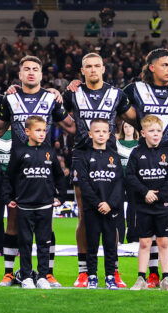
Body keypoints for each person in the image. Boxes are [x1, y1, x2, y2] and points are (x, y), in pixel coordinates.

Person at [6, 114, 63, 288]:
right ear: (27, 131)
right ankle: (26, 276)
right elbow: (9, 177)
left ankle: (43, 276)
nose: (42, 134)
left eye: (44, 130)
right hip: (24, 205)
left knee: (43, 243)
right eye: (38, 130)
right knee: (25, 243)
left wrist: (59, 197)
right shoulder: (19, 152)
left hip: (45, 205)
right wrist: (10, 197)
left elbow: (60, 177)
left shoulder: (50, 152)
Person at [72, 119, 124, 289]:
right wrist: (97, 203)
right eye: (97, 131)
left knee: (110, 245)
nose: (101, 134)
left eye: (104, 131)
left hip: (110, 209)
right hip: (92, 209)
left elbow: (118, 184)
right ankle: (92, 275)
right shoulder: (84, 156)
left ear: (109, 135)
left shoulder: (114, 157)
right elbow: (84, 184)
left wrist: (109, 203)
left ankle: (110, 276)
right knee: (92, 244)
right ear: (90, 134)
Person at [126, 114, 168, 291]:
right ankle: (141, 278)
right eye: (151, 131)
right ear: (143, 133)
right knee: (145, 243)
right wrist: (145, 192)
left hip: (163, 205)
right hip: (143, 204)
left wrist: (159, 194)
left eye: (158, 131)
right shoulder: (136, 153)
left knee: (163, 242)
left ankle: (166, 278)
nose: (155, 134)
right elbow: (130, 176)